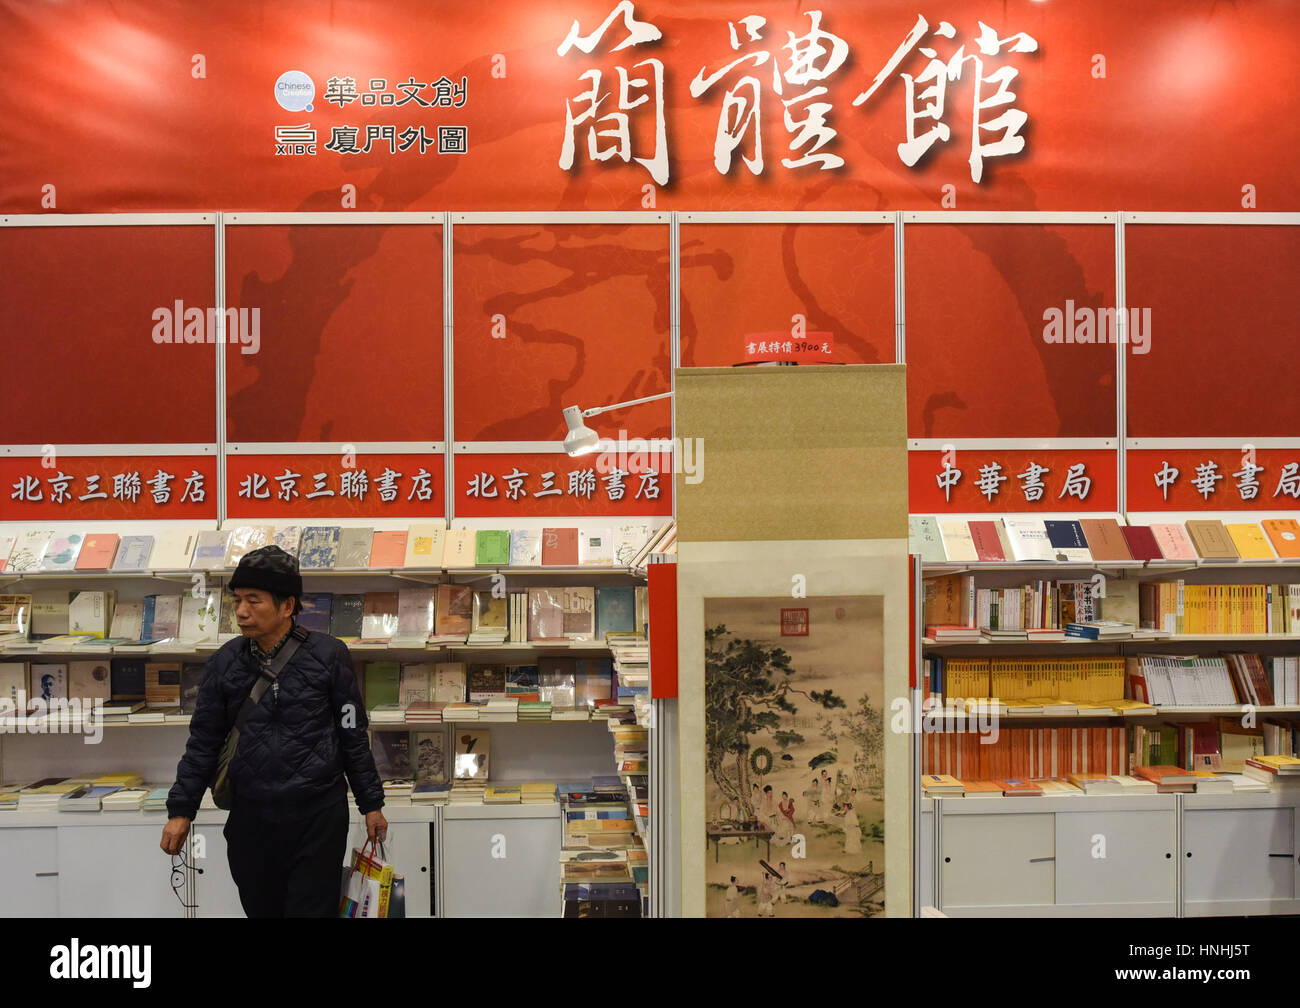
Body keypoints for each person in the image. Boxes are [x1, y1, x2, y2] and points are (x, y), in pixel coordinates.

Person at [160, 545, 387, 918]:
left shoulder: (330, 656)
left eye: (254, 600)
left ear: (287, 606)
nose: (242, 611)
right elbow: (203, 741)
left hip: (318, 817)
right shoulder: (224, 663)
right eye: (237, 601)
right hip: (252, 819)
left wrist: (371, 804)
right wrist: (181, 810)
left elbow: (351, 732)